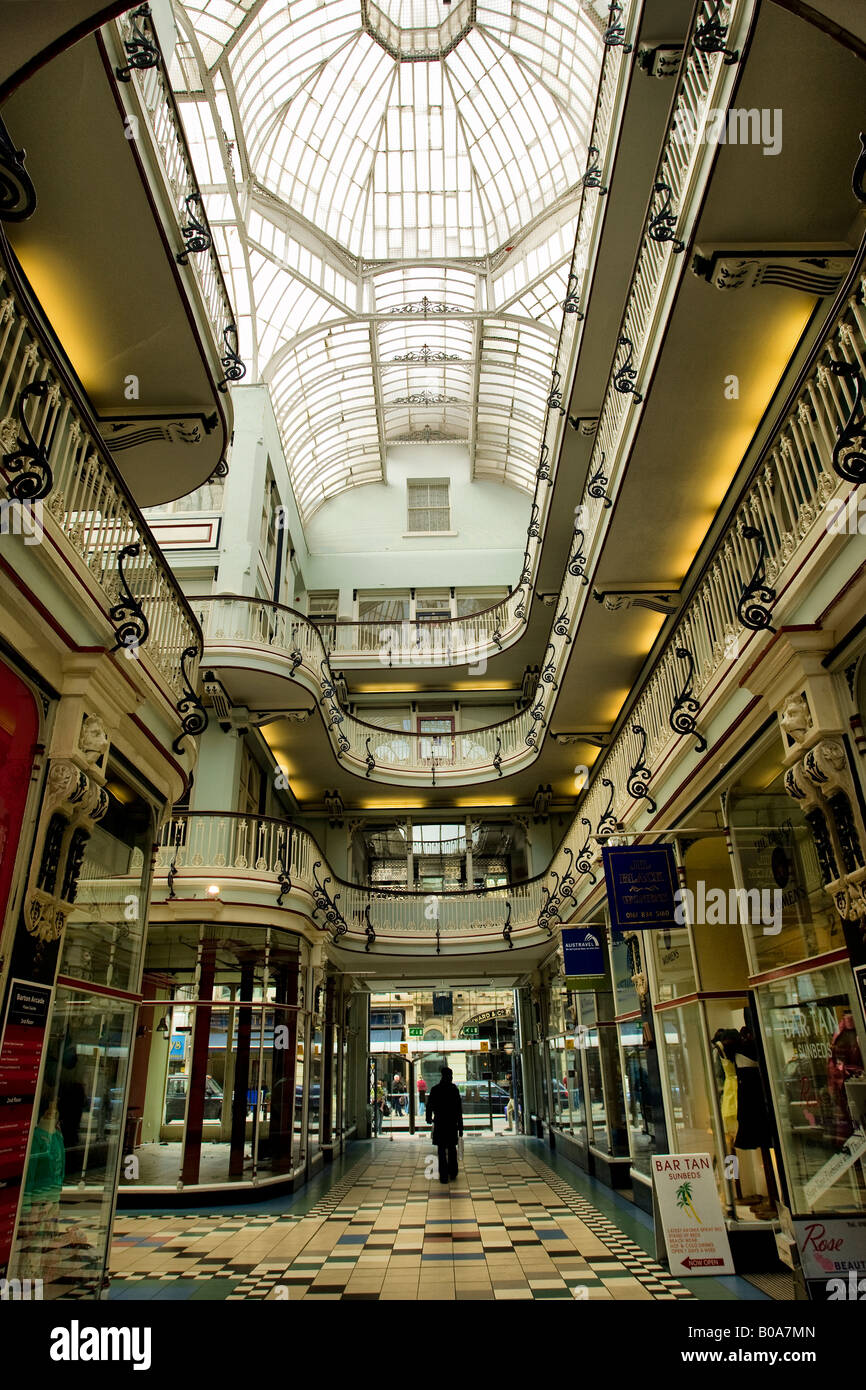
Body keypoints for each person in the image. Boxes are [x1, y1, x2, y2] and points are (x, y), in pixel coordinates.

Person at [425, 1066, 463, 1183]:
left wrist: (428, 1118)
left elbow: (429, 1106)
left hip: (440, 1122)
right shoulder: (454, 1090)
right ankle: (453, 1171)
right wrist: (460, 1126)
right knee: (452, 1148)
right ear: (449, 1076)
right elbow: (458, 1109)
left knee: (441, 1149)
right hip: (451, 1123)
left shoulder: (435, 1089)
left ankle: (443, 1174)